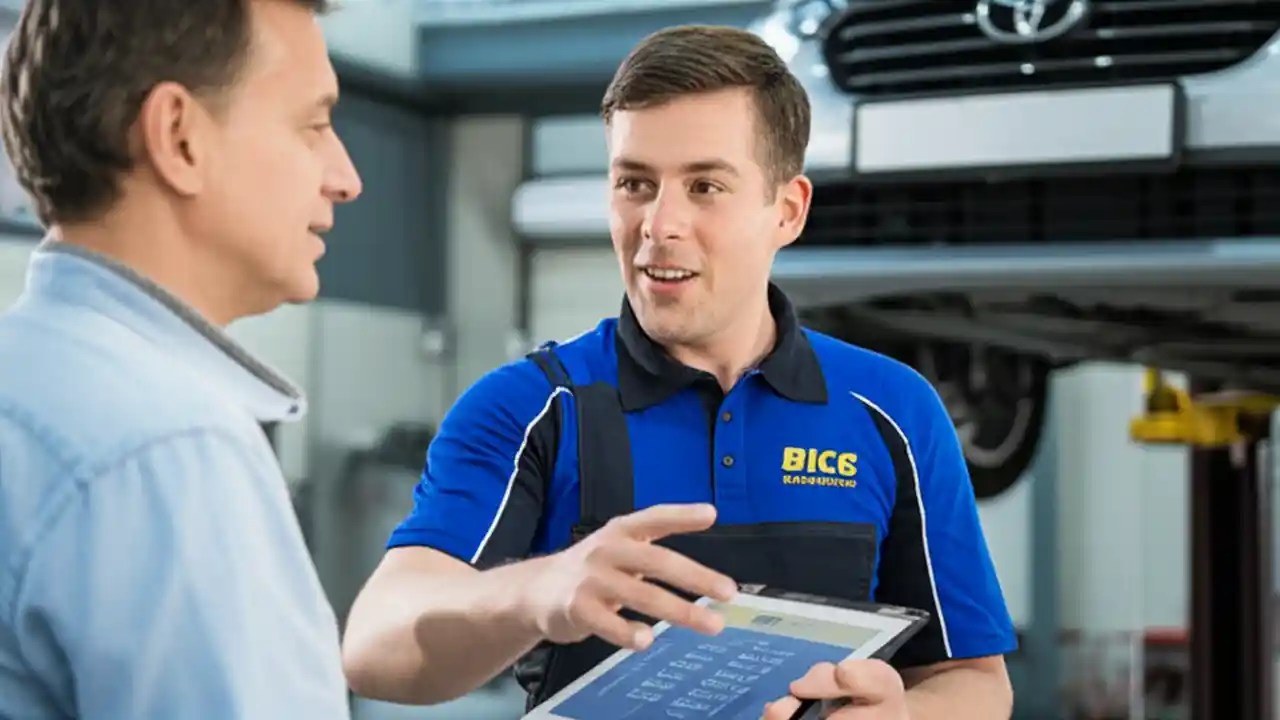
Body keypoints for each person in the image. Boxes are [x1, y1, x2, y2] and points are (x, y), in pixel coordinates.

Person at [341, 24, 1015, 719]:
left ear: (786, 210)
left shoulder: (893, 411)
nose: (659, 224)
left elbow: (976, 681)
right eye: (634, 182)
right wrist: (537, 592)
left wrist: (904, 715)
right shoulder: (530, 409)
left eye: (705, 186)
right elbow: (374, 645)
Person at [0, 0, 362, 717]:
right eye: (313, 125)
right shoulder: (168, 449)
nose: (346, 177)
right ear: (179, 138)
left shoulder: (27, 385)